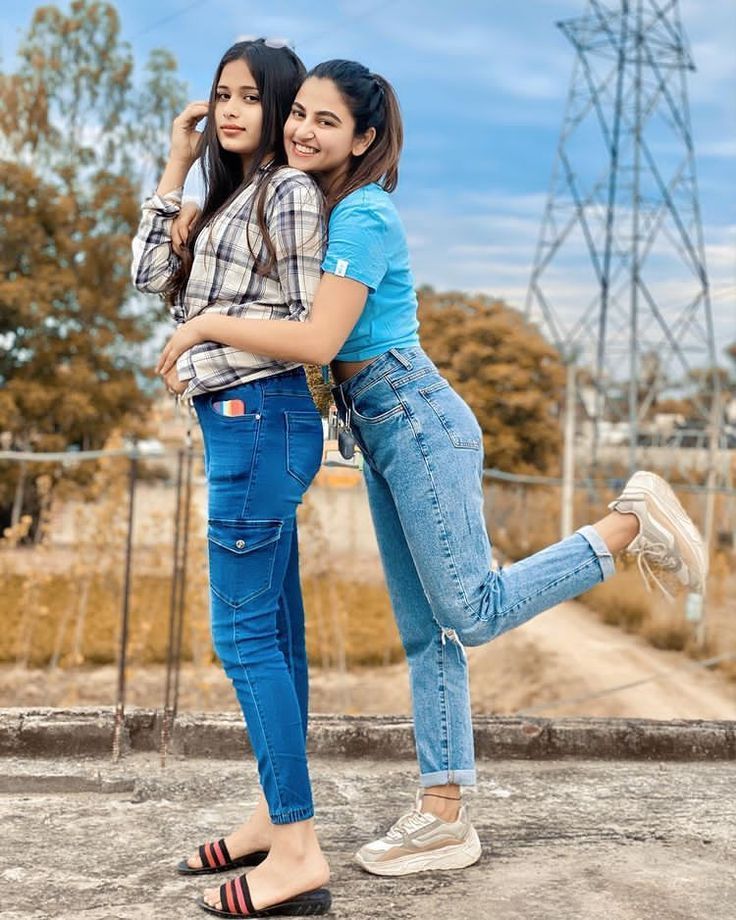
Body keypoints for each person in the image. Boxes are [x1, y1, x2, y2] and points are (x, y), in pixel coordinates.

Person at [159, 59, 708, 880]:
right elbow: (211, 251)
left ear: (365, 138)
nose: (304, 129)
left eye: (327, 121)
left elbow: (315, 342)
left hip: (414, 416)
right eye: (299, 113)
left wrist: (206, 324)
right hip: (376, 428)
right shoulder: (314, 202)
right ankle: (444, 815)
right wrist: (182, 173)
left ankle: (625, 525)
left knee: (472, 610)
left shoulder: (365, 218)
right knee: (428, 629)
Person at [132, 39, 332, 917]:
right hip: (239, 428)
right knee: (277, 639)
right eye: (221, 95)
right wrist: (176, 166)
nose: (232, 110)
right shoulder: (218, 196)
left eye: (252, 97)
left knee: (244, 641)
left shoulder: (285, 192)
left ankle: (296, 853)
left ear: (279, 104)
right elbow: (146, 277)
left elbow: (300, 314)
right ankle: (271, 816)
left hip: (264, 421)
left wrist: (204, 331)